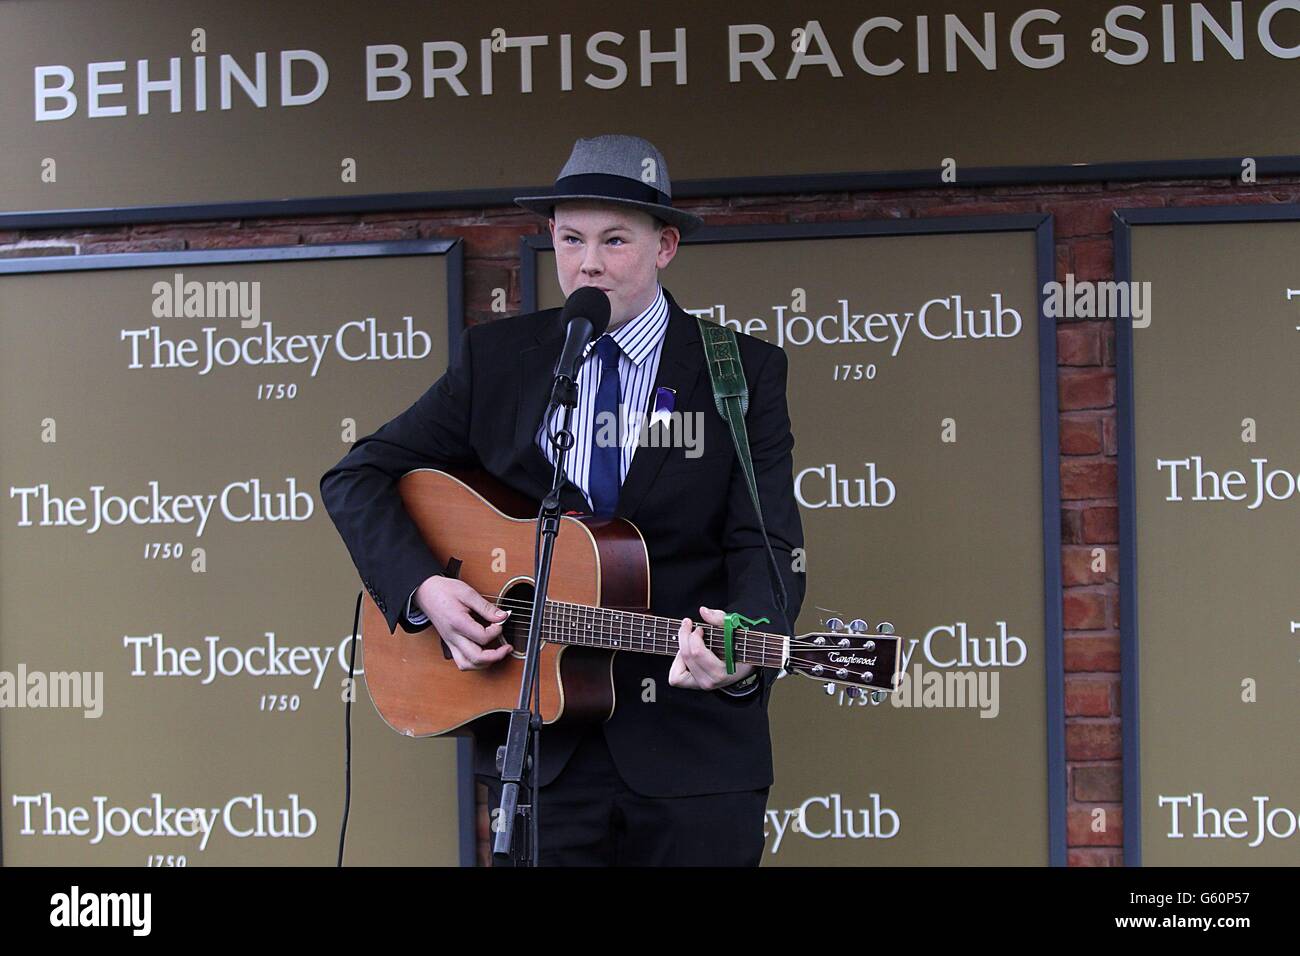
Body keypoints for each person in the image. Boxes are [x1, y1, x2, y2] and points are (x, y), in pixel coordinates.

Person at [320, 133, 805, 866]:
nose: (588, 262)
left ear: (665, 245)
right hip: (542, 755)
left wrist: (745, 644)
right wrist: (426, 590)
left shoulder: (740, 372)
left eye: (615, 240)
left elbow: (764, 541)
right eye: (571, 237)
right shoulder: (501, 360)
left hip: (692, 753)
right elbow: (357, 476)